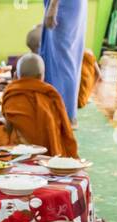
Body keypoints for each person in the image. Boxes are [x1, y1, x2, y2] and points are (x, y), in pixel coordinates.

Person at [0, 53, 77, 158]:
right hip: (48, 150)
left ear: (17, 75)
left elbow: (8, 127)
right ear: (42, 76)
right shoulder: (50, 94)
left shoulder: (12, 92)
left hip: (18, 151)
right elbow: (62, 125)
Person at [40, 0, 88, 129]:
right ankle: (63, 114)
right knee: (59, 57)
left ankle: (65, 116)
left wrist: (53, 5)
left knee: (63, 61)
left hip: (63, 4)